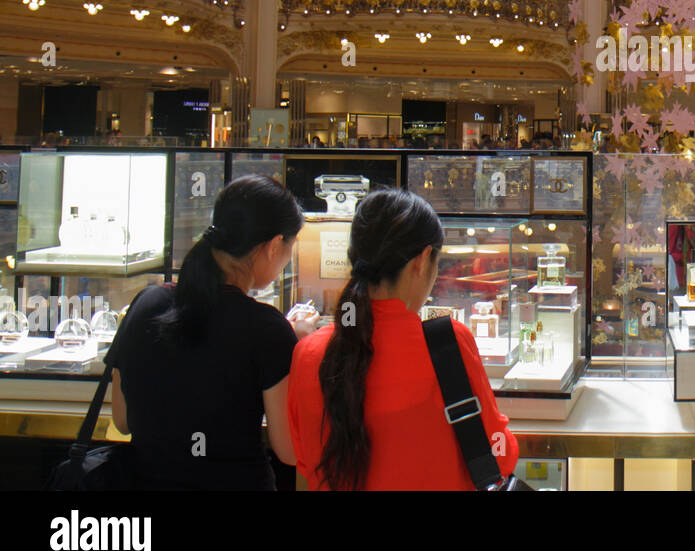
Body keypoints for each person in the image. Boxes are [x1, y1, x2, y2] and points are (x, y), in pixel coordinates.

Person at [288, 189, 518, 490]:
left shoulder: (307, 353)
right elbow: (499, 456)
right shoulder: (448, 344)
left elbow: (304, 459)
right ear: (422, 261)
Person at [110, 175, 311, 489]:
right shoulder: (267, 328)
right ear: (273, 247)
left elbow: (122, 421)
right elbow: (289, 450)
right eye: (290, 247)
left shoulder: (146, 303)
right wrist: (303, 348)